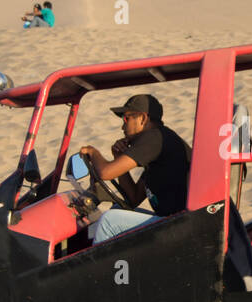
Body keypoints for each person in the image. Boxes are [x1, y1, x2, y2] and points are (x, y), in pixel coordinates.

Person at [79, 94, 191, 244]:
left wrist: (93, 152)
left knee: (109, 221)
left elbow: (105, 172)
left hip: (180, 225)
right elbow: (133, 198)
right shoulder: (158, 145)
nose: (122, 127)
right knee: (117, 210)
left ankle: (94, 268)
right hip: (175, 222)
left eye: (126, 119)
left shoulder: (154, 137)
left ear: (143, 119)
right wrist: (119, 155)